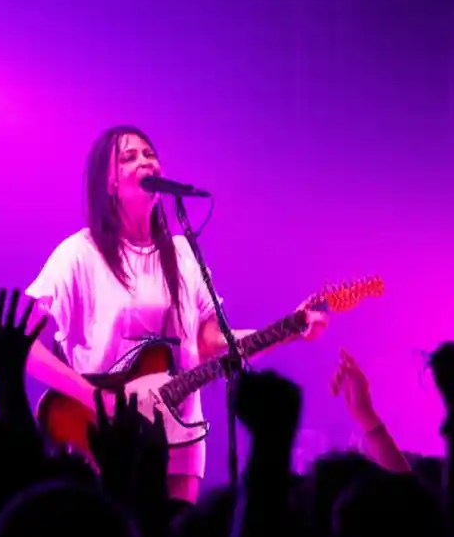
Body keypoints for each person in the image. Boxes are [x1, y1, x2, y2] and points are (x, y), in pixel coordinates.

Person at [24, 125, 327, 503]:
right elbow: (23, 345)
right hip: (106, 433)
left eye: (149, 154)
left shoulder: (183, 253)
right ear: (109, 183)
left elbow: (214, 343)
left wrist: (292, 328)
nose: (145, 161)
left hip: (179, 427)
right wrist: (95, 398)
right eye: (129, 156)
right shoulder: (79, 253)